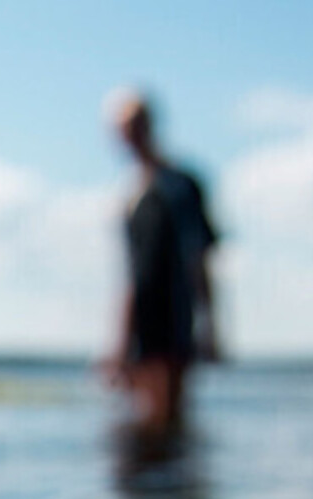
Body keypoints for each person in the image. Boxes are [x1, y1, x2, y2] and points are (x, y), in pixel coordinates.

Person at [102, 91, 218, 429]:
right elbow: (130, 272)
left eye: (136, 127)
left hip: (174, 318)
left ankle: (174, 479)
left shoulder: (181, 185)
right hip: (140, 319)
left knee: (170, 416)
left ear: (150, 126)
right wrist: (120, 338)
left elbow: (199, 257)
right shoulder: (130, 194)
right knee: (140, 421)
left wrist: (209, 324)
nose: (130, 138)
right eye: (124, 130)